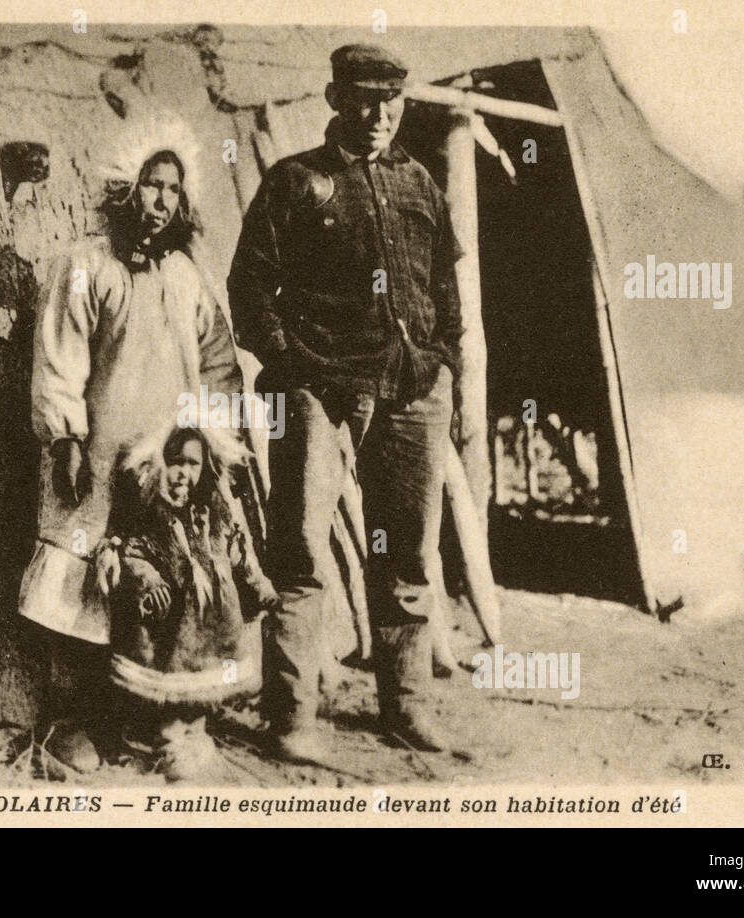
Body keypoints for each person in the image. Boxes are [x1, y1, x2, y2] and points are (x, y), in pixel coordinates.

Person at [227, 43, 465, 762]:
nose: (378, 114)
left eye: (391, 100)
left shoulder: (420, 182)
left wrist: (442, 362)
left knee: (409, 556)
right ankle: (292, 719)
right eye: (363, 99)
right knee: (299, 553)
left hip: (411, 392)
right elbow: (248, 292)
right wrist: (297, 368)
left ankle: (408, 707)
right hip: (318, 394)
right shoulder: (295, 180)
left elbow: (445, 294)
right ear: (335, 100)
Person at [19, 116, 242, 773]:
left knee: (169, 583)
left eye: (174, 189)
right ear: (126, 189)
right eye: (152, 184)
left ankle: (167, 727)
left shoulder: (187, 279)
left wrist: (220, 445)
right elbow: (59, 357)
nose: (163, 200)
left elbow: (220, 366)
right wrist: (64, 438)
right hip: (98, 460)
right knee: (84, 589)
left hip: (166, 469)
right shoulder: (85, 266)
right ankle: (70, 724)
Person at [96, 424, 277, 781]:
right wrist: (149, 582)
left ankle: (195, 735)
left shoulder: (215, 513)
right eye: (175, 462)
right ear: (159, 464)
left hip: (211, 626)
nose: (184, 474)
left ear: (207, 468)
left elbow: (239, 553)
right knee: (171, 686)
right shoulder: (150, 515)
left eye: (193, 464)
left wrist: (257, 584)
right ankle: (168, 743)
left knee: (201, 688)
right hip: (171, 627)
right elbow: (133, 553)